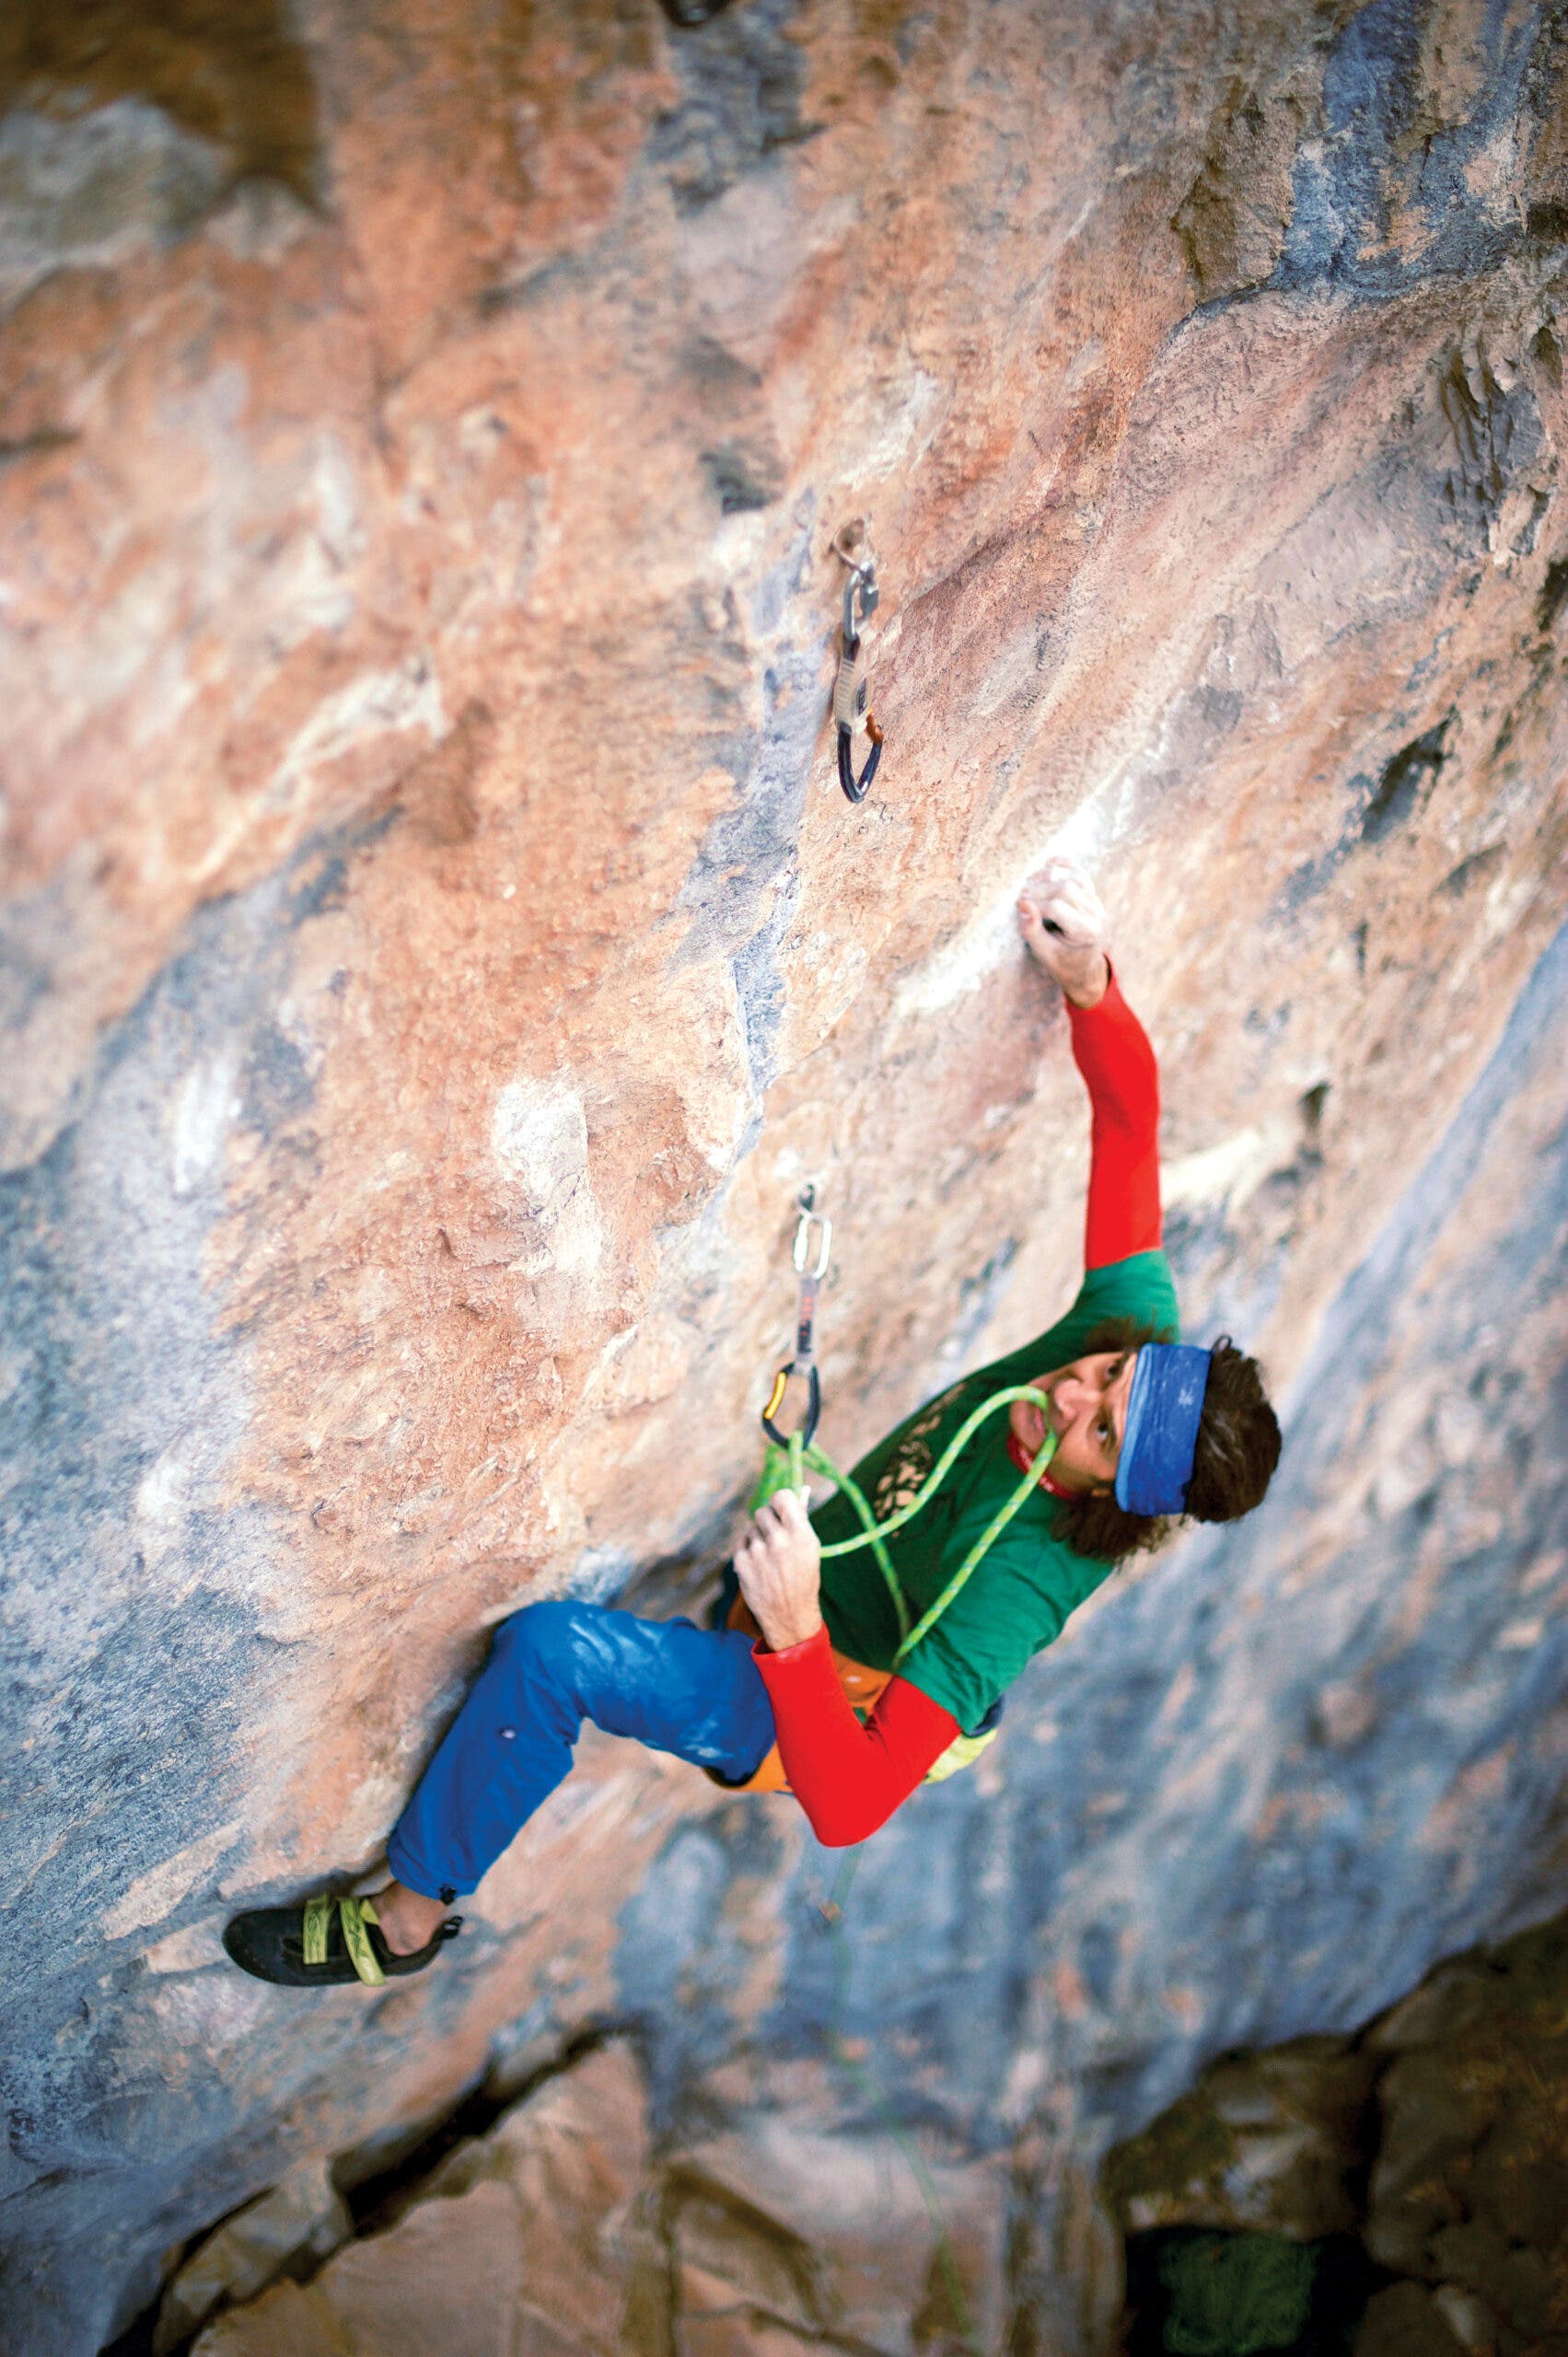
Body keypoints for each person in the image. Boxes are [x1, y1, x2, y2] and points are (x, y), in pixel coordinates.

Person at [225, 859, 1281, 1987]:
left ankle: (404, 1921)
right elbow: (1128, 1123)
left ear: (1119, 1497)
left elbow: (849, 1804)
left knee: (553, 1651)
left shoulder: (1013, 1599)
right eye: (1109, 1374)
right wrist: (1086, 979)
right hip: (808, 1595)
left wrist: (793, 1628)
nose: (1073, 1393)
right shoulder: (1116, 1330)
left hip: (817, 1701)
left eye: (1099, 1433)